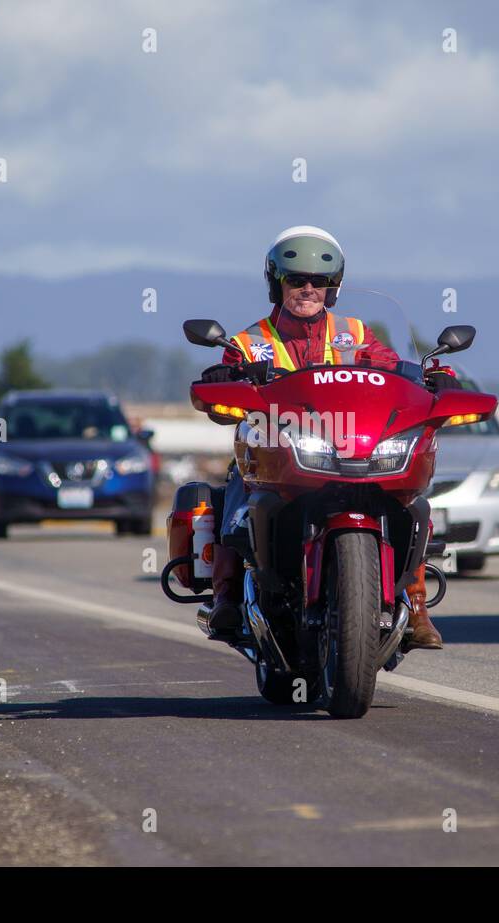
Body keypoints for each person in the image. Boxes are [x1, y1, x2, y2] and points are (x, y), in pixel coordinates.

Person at [198, 225, 448, 651]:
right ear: (277, 284)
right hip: (277, 451)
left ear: (333, 289)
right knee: (236, 492)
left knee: (410, 497)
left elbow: (393, 369)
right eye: (297, 280)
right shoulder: (248, 342)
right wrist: (222, 377)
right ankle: (226, 597)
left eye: (320, 281)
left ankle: (416, 605)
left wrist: (433, 376)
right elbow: (223, 391)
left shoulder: (354, 333)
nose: (308, 288)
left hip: (350, 447)